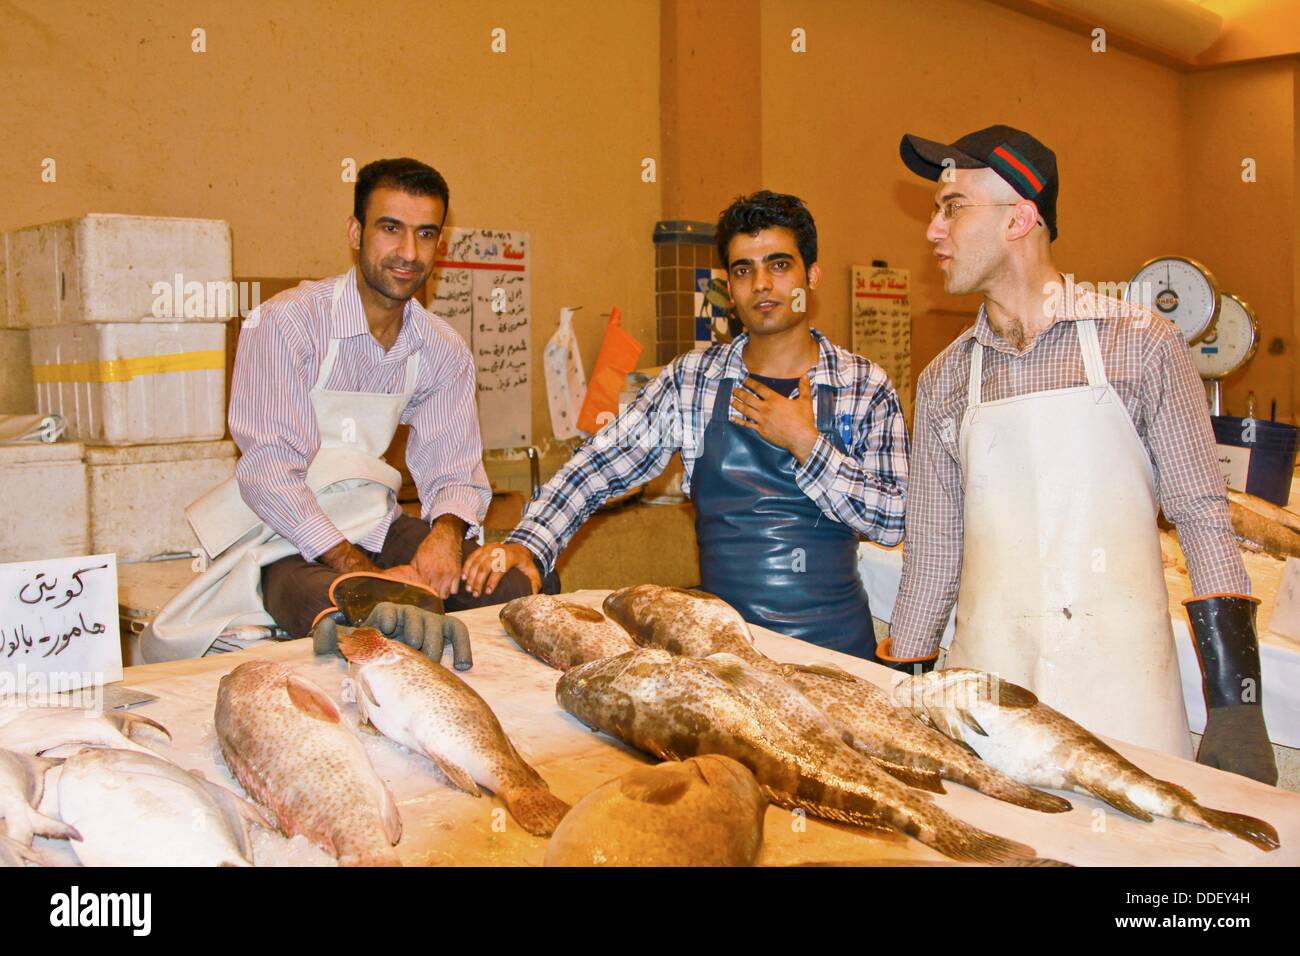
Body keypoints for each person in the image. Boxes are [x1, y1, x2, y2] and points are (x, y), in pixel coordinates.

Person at [884, 125, 1275, 782]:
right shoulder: (944, 381)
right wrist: (905, 692)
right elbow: (932, 553)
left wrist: (1237, 707)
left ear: (1021, 218)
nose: (933, 229)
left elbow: (1202, 514)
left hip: (1126, 703)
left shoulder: (1143, 344)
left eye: (952, 205)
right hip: (990, 705)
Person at [462, 191, 908, 659]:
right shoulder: (693, 380)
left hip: (838, 655)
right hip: (725, 656)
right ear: (729, 287)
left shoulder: (864, 386)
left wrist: (807, 444)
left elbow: (894, 519)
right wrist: (528, 545)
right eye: (743, 270)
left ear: (810, 275)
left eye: (779, 265)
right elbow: (597, 466)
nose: (761, 284)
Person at [143, 158, 536, 663]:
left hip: (373, 517)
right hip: (283, 535)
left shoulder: (442, 349)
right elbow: (269, 474)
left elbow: (453, 465)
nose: (408, 253)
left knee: (507, 591)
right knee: (345, 611)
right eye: (390, 229)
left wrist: (446, 534)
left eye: (425, 234)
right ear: (356, 231)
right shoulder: (286, 324)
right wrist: (354, 566)